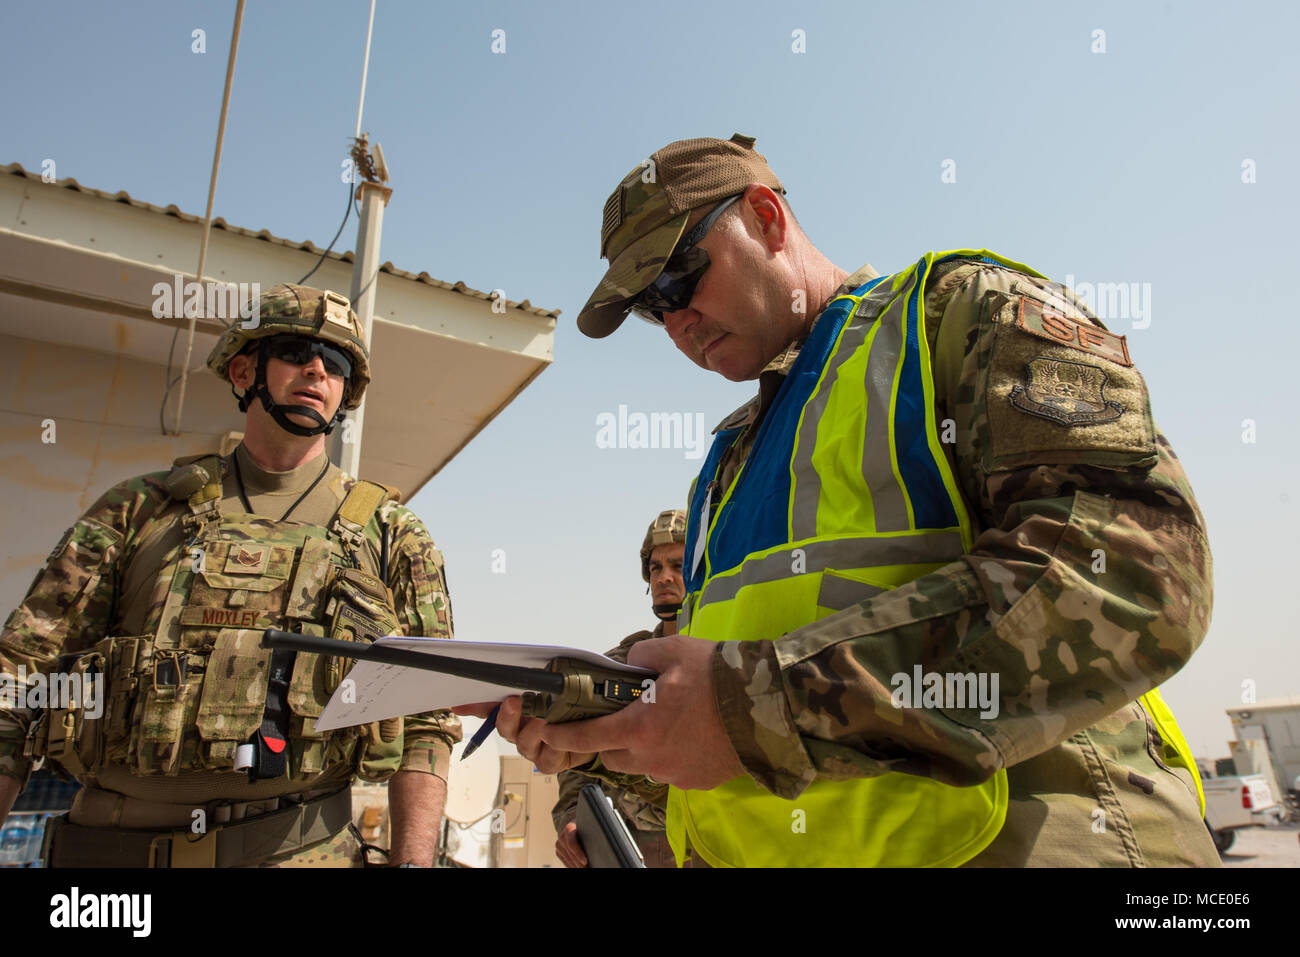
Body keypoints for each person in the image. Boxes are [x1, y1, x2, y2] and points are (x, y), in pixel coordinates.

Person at [458, 134, 1218, 867]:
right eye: (651, 307)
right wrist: (590, 707)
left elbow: (1135, 568)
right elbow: (732, 667)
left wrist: (757, 708)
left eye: (679, 277)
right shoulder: (730, 457)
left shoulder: (952, 315)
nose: (677, 321)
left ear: (765, 216)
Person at [0, 283, 460, 867]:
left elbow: (428, 711)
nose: (317, 370)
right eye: (295, 352)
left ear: (347, 391)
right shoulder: (140, 509)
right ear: (244, 371)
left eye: (337, 363)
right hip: (113, 857)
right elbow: (21, 673)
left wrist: (414, 858)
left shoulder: (391, 532)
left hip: (299, 850)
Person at [551, 509, 685, 868]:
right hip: (630, 845)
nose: (664, 578)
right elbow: (574, 755)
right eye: (656, 568)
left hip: (701, 845)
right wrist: (572, 820)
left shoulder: (720, 661)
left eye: (678, 566)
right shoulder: (622, 664)